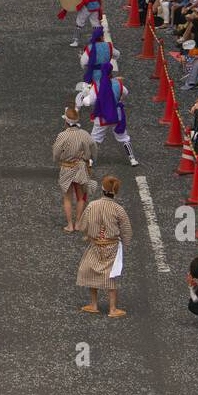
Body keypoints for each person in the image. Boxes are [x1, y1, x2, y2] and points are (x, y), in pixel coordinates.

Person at [76, 175, 133, 318]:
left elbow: (82, 225)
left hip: (95, 244)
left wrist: (89, 234)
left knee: (91, 271)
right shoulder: (118, 209)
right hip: (111, 245)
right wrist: (125, 244)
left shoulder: (92, 205)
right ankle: (112, 309)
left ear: (102, 189)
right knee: (110, 275)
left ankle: (94, 304)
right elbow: (127, 230)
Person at [76, 62, 139, 167]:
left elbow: (90, 102)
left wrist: (83, 98)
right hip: (117, 115)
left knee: (95, 139)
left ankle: (90, 161)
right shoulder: (118, 83)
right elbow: (125, 92)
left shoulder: (96, 86)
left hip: (102, 116)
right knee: (124, 137)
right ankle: (132, 159)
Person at [54, 105, 95, 232]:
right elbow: (93, 149)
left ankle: (69, 225)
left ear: (66, 121)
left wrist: (59, 159)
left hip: (66, 168)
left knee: (67, 197)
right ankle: (78, 223)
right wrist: (89, 159)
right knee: (81, 196)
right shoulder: (84, 134)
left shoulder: (62, 135)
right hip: (80, 167)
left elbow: (56, 153)